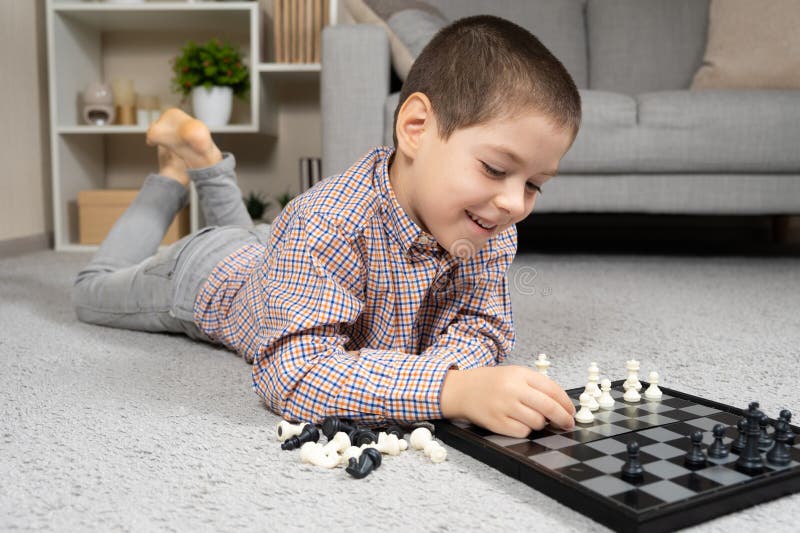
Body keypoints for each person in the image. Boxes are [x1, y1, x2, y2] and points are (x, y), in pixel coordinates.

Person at [72, 14, 581, 438]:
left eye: (535, 184)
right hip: (205, 276)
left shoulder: (489, 225)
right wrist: (450, 388)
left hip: (272, 255)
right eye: (495, 169)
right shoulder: (324, 222)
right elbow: (293, 375)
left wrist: (457, 371)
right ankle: (171, 175)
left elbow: (483, 325)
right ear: (416, 129)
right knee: (90, 291)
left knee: (261, 244)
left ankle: (205, 158)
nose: (515, 203)